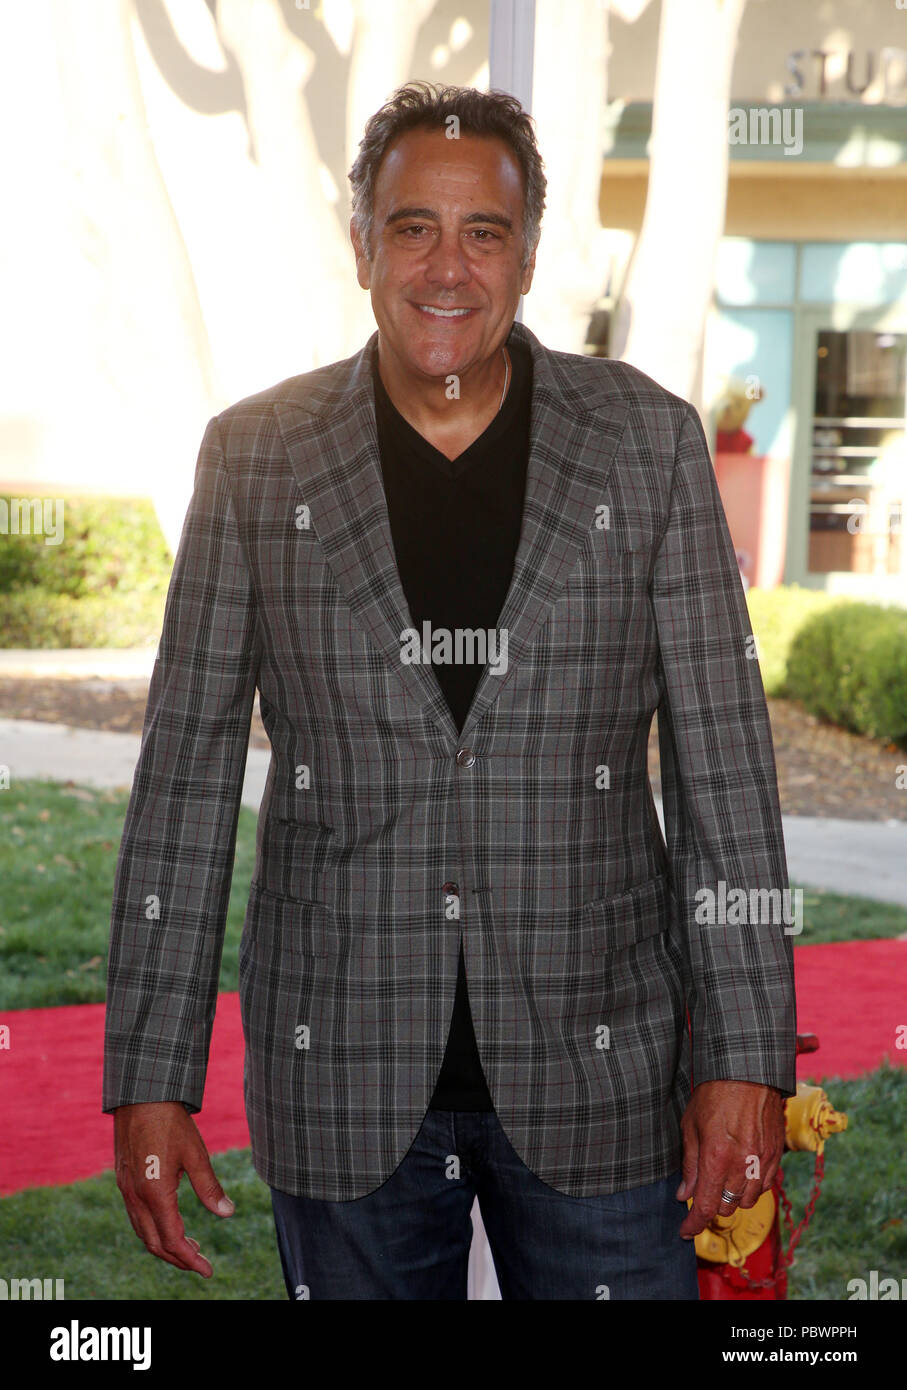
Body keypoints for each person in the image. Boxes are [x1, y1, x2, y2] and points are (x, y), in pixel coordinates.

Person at [103, 81, 797, 1301]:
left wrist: (743, 1057)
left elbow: (724, 776)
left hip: (605, 1078)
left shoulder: (646, 443)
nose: (448, 265)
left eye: (484, 231)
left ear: (529, 255)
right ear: (362, 240)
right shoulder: (258, 455)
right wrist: (151, 1074)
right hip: (344, 1075)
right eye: (414, 225)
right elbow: (183, 779)